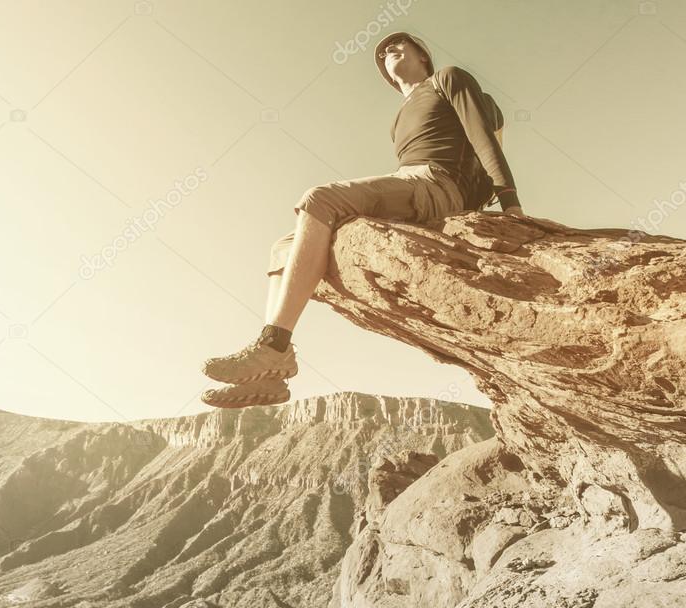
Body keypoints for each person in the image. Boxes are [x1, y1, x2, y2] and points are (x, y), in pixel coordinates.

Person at [200, 31, 524, 409]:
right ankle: (272, 373)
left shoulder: (447, 78)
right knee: (283, 247)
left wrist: (510, 205)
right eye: (383, 52)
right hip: (410, 181)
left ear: (424, 56)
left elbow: (483, 138)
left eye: (399, 45)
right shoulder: (399, 120)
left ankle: (273, 345)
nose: (389, 50)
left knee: (319, 199)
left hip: (436, 182)